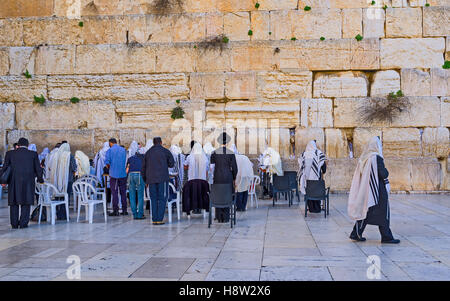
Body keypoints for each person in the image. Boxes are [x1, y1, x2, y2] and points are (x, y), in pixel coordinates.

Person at [348, 136, 400, 244]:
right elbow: (383, 174)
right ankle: (386, 236)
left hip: (367, 189)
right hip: (378, 190)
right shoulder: (377, 158)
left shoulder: (365, 158)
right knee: (383, 212)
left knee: (367, 211)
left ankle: (356, 233)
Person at [1, 138, 43, 229]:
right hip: (28, 182)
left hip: (14, 182)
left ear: (18, 145)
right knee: (26, 202)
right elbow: (38, 169)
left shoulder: (10, 154)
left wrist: (3, 181)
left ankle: (14, 224)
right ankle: (23, 223)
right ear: (27, 145)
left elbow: (4, 168)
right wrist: (41, 180)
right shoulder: (33, 154)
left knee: (14, 203)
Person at [141, 137, 174, 225]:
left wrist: (145, 180)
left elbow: (143, 167)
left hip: (151, 179)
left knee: (153, 199)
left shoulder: (148, 153)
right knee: (162, 198)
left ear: (153, 142)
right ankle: (159, 219)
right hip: (162, 179)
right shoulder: (165, 151)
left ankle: (154, 219)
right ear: (161, 142)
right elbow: (172, 164)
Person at [210, 132, 238, 223]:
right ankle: (226, 217)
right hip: (228, 177)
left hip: (217, 177)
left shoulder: (214, 153)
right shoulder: (231, 153)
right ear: (227, 142)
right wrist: (234, 177)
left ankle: (218, 216)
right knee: (227, 195)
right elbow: (235, 168)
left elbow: (212, 167)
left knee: (218, 195)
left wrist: (213, 175)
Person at [298, 140, 327, 213]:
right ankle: (317, 208)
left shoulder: (303, 155)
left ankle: (311, 208)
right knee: (317, 191)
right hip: (317, 180)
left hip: (307, 180)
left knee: (309, 192)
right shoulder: (318, 154)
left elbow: (301, 167)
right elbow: (323, 168)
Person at [105, 138, 128, 216]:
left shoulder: (110, 151)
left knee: (114, 193)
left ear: (110, 143)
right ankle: (124, 210)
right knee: (123, 193)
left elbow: (107, 163)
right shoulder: (123, 150)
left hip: (114, 175)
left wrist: (110, 167)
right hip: (123, 174)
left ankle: (116, 210)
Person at [233, 145, 254, 212]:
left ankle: (239, 207)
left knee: (238, 191)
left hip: (240, 175)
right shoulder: (244, 157)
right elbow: (251, 165)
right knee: (245, 190)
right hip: (247, 176)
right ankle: (243, 206)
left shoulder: (234, 157)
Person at [127, 145, 145, 220]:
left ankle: (134, 214)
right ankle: (140, 214)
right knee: (140, 195)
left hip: (131, 175)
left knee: (132, 195)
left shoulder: (130, 158)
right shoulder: (143, 158)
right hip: (139, 174)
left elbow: (127, 169)